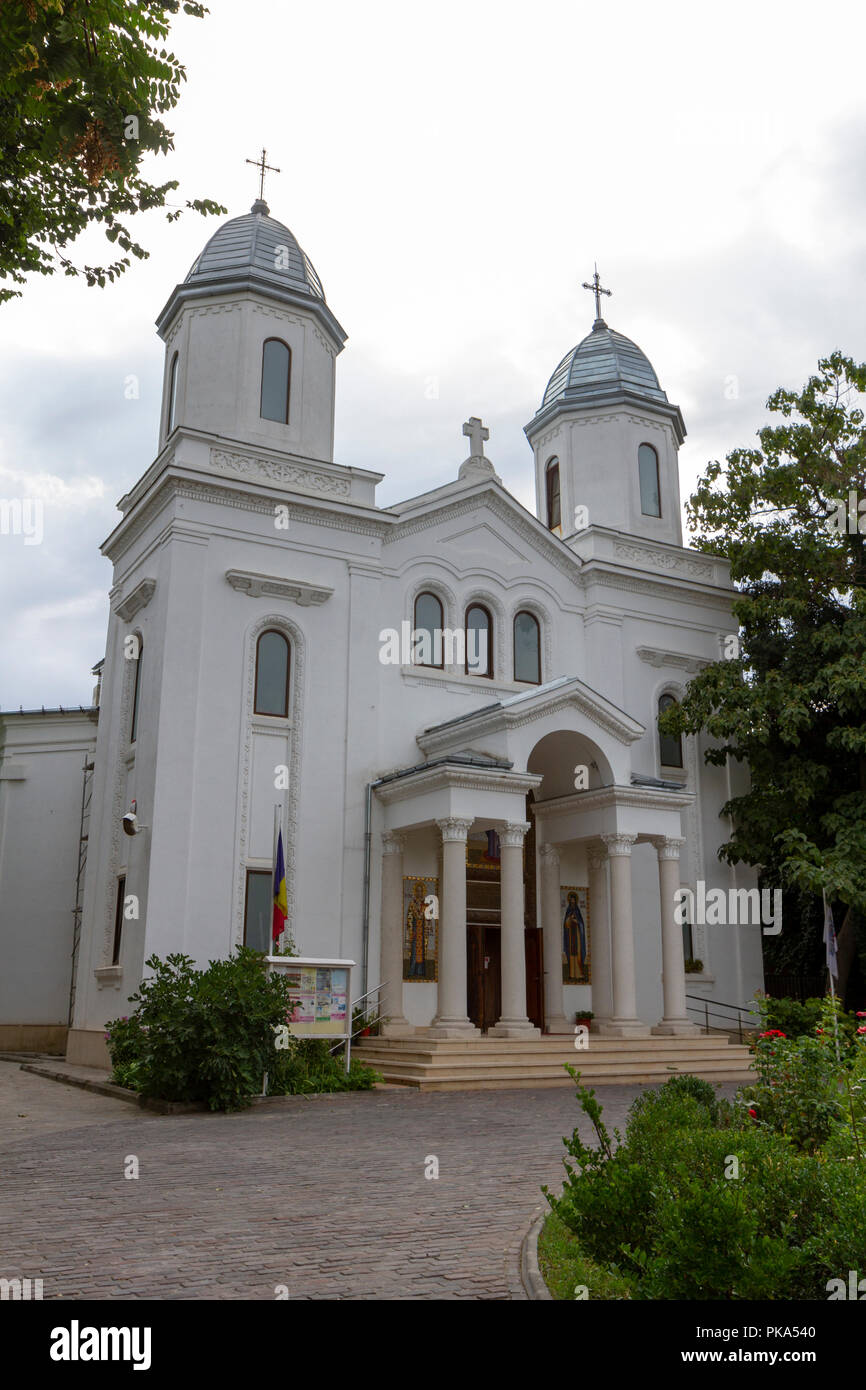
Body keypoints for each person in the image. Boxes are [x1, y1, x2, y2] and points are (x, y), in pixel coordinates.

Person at [562, 891, 587, 981]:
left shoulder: (577, 911)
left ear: (575, 901)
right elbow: (565, 924)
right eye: (571, 901)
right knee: (571, 953)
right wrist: (569, 919)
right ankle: (572, 974)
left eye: (573, 901)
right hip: (570, 936)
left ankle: (579, 974)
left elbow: (581, 924)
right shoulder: (568, 910)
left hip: (577, 936)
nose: (572, 902)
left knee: (578, 953)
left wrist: (577, 922)